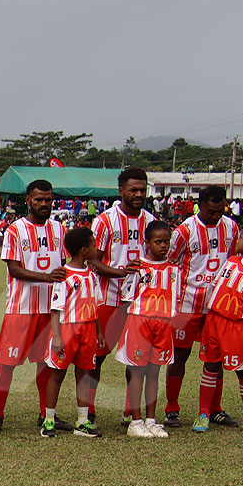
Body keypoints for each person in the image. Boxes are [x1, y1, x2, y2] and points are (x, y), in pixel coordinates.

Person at [0, 179, 68, 433]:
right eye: (39, 199)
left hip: (51, 309)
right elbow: (15, 269)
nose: (44, 204)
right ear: (28, 200)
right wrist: (46, 277)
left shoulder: (59, 229)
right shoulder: (15, 230)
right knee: (7, 363)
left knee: (47, 363)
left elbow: (65, 265)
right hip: (21, 308)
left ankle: (46, 415)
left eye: (48, 199)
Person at [165, 185, 238, 428]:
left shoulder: (232, 227)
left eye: (219, 211)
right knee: (179, 356)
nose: (215, 216)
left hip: (218, 306)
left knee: (216, 358)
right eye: (210, 211)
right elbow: (169, 262)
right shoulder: (185, 230)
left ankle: (214, 409)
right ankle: (172, 409)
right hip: (187, 305)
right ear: (200, 206)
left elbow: (234, 261)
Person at [88, 167, 155, 430]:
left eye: (142, 189)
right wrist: (121, 272)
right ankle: (89, 410)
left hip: (141, 303)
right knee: (96, 357)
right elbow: (93, 260)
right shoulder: (105, 221)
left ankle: (132, 410)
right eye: (133, 190)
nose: (139, 194)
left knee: (137, 359)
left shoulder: (150, 221)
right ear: (121, 191)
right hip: (109, 300)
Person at [193, 224, 243, 434]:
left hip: (237, 326)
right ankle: (203, 414)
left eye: (241, 239)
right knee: (210, 366)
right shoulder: (231, 261)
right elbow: (217, 284)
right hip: (214, 321)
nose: (236, 242)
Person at [115, 221, 180, 438]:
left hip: (164, 325)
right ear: (147, 243)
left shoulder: (174, 270)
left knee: (155, 373)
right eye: (158, 241)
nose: (163, 246)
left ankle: (152, 420)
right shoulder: (137, 267)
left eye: (166, 241)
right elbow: (126, 298)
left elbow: (175, 299)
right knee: (137, 372)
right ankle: (135, 421)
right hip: (140, 323)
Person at [42, 227, 106, 438]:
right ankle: (49, 420)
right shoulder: (64, 275)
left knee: (84, 375)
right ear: (84, 250)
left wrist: (98, 332)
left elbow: (95, 306)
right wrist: (57, 336)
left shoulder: (92, 275)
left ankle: (82, 421)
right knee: (57, 374)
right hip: (68, 329)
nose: (97, 249)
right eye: (94, 246)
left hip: (87, 329)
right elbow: (55, 309)